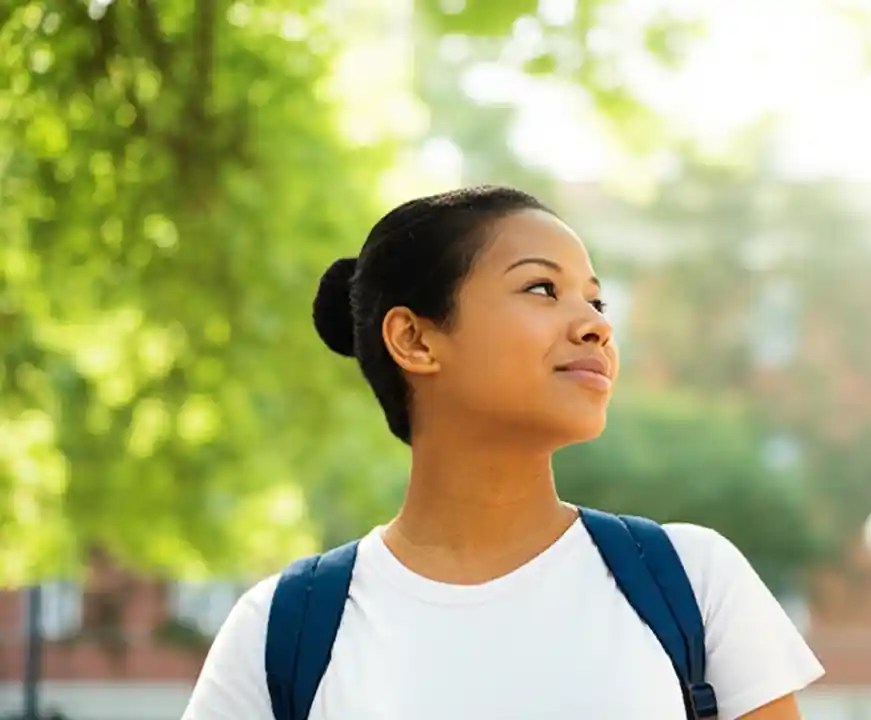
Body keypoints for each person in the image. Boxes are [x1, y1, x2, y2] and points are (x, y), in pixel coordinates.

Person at [181, 186, 824, 719]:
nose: (596, 323)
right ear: (415, 339)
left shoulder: (691, 581)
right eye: (542, 290)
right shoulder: (282, 632)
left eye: (596, 300)